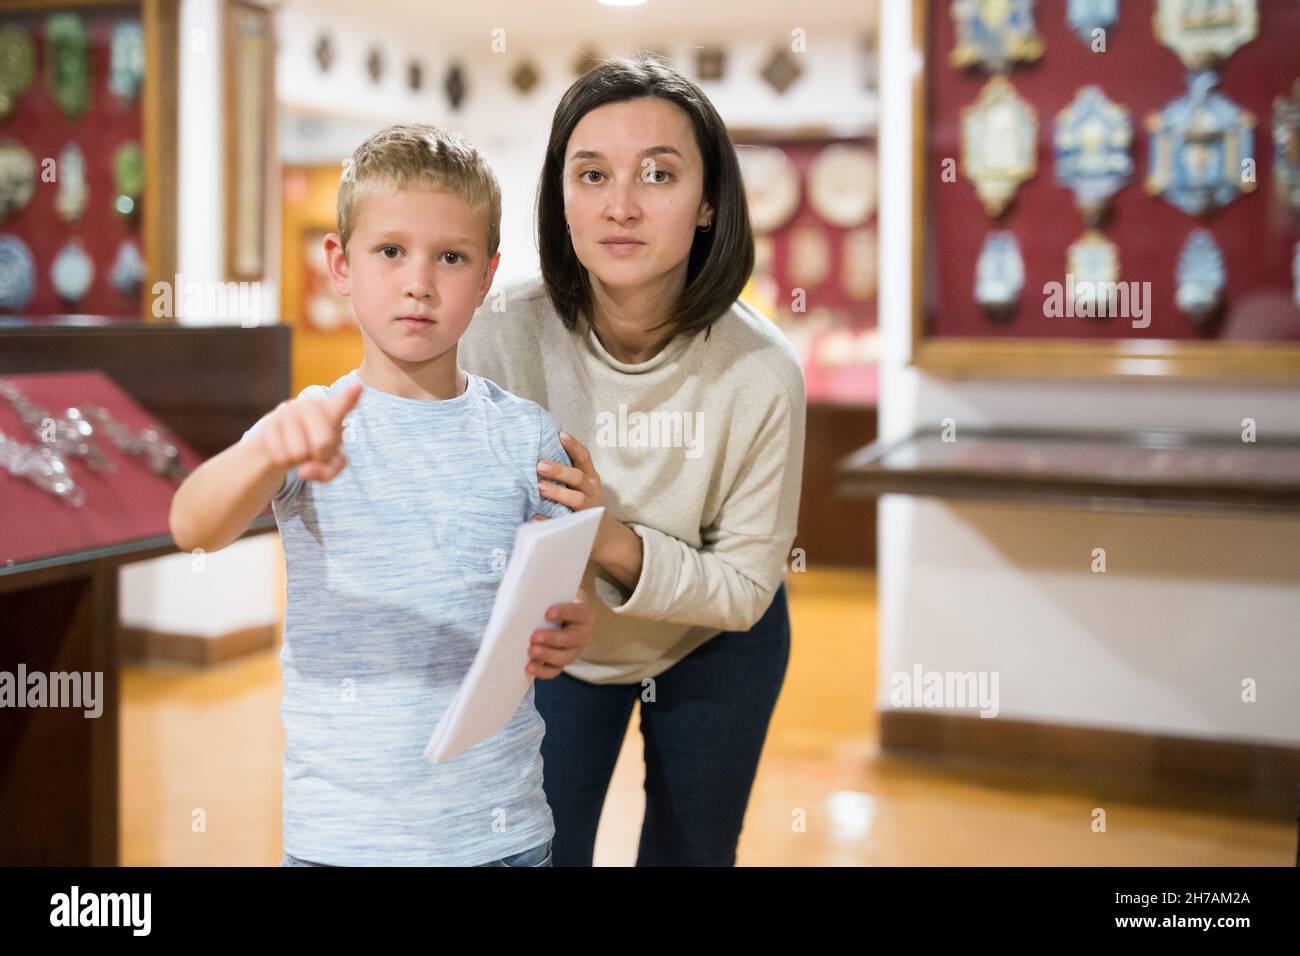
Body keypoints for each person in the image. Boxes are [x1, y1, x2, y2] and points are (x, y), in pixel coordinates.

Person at [169, 124, 595, 867]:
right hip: (342, 839)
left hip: (501, 831)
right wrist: (267, 448)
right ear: (340, 263)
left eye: (451, 258)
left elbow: (558, 595)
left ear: (487, 275)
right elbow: (190, 525)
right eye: (390, 251)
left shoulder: (527, 437)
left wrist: (570, 627)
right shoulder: (308, 427)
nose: (419, 283)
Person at [458, 55, 807, 866]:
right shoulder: (498, 331)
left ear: (710, 201)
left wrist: (607, 537)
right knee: (539, 849)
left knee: (692, 852)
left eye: (658, 173)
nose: (620, 205)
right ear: (560, 196)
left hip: (713, 641)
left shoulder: (761, 370)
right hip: (557, 639)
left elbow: (748, 586)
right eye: (591, 174)